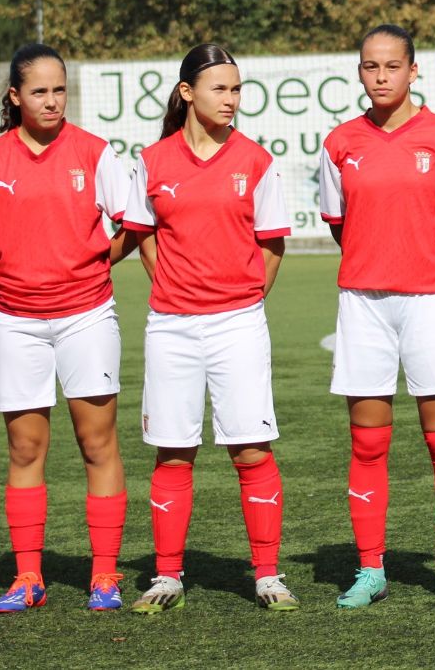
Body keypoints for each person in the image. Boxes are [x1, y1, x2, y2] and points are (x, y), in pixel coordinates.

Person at [122, 43, 296, 613]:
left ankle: (267, 574)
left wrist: (240, 299)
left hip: (238, 324)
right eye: (220, 88)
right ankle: (168, 576)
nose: (232, 99)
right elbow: (143, 237)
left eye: (238, 88)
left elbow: (271, 246)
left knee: (251, 449)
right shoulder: (152, 161)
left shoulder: (256, 160)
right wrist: (175, 291)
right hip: (170, 325)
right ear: (187, 92)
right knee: (173, 452)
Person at [318, 24, 435, 609]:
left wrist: (427, 259)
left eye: (393, 66)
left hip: (431, 302)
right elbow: (339, 224)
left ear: (414, 71)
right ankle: (370, 570)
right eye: (370, 66)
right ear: (360, 72)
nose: (381, 76)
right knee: (367, 444)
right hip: (362, 304)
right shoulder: (339, 143)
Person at [0, 44, 133, 612]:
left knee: (96, 442)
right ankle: (28, 578)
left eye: (59, 90)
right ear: (15, 97)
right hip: (13, 320)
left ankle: (104, 576)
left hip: (86, 315)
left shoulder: (95, 153)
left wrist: (93, 263)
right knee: (26, 447)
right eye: (39, 92)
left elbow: (132, 222)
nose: (52, 101)